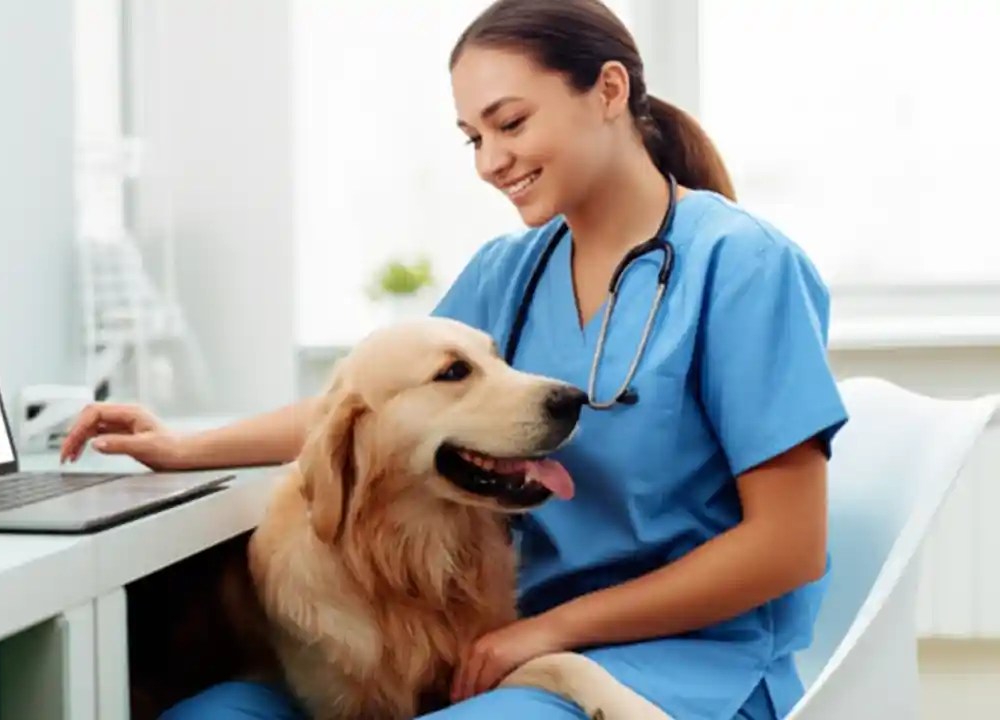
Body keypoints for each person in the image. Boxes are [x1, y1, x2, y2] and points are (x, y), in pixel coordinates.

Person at [58, 0, 848, 717]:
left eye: (510, 124)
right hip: (510, 645)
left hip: (685, 668)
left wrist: (552, 631)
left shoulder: (743, 267)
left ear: (609, 91)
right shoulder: (512, 270)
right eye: (474, 138)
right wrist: (184, 447)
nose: (490, 162)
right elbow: (369, 406)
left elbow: (788, 545)